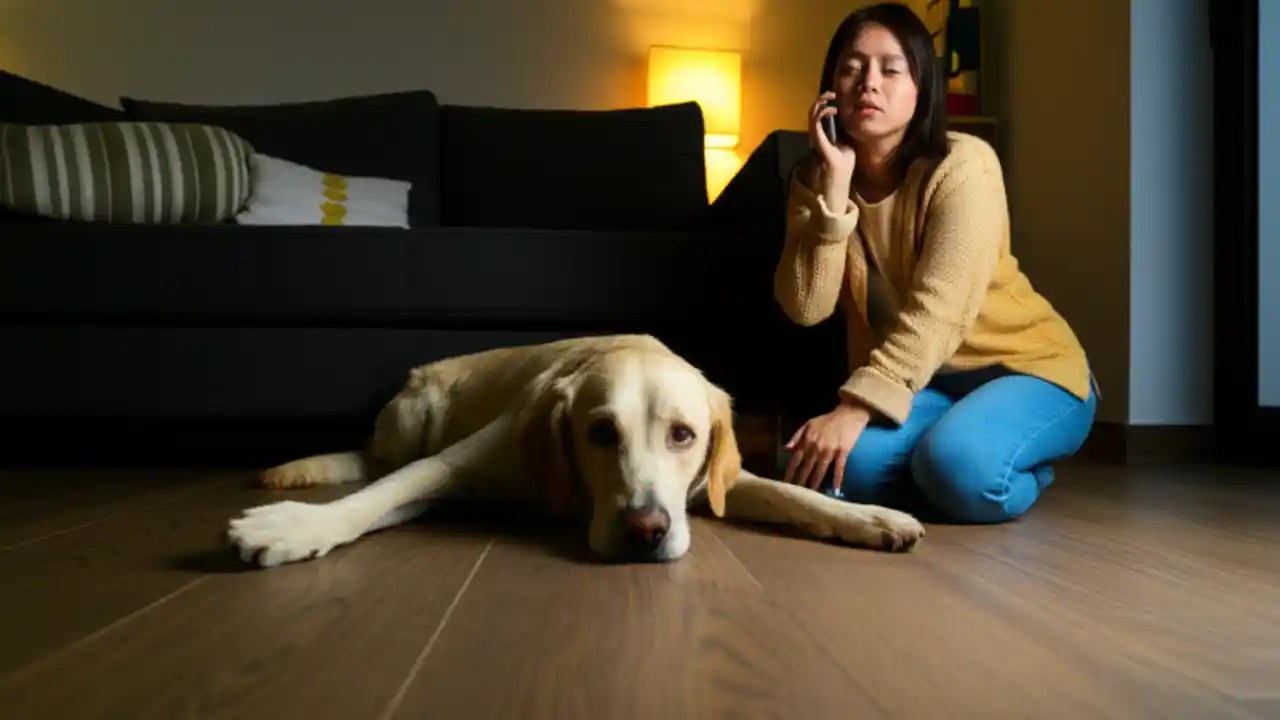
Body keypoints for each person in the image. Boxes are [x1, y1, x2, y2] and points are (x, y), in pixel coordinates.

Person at [774, 2, 1097, 523]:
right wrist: (834, 196)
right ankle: (946, 457)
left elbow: (938, 312)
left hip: (1026, 370)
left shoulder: (964, 164)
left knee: (958, 470)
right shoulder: (815, 179)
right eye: (852, 68)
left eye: (890, 69)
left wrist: (854, 409)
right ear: (830, 84)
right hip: (926, 383)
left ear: (921, 86)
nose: (868, 83)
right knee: (833, 475)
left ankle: (994, 467)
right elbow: (805, 307)